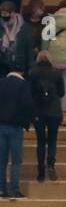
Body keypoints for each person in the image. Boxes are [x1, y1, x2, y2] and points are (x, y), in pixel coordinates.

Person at [0, 61, 34, 199]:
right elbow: (26, 104)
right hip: (15, 127)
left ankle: (1, 189)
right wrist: (27, 123)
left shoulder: (1, 82)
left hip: (0, 126)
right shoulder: (23, 84)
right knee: (15, 161)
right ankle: (14, 190)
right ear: (22, 72)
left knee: (1, 160)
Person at [28, 51, 63, 183]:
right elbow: (62, 92)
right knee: (52, 139)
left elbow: (30, 93)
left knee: (41, 141)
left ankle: (41, 170)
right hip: (54, 111)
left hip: (39, 111)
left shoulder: (33, 72)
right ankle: (51, 164)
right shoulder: (56, 72)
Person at [0, 1, 34, 77]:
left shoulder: (23, 27)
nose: (3, 16)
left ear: (12, 13)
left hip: (19, 65)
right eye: (1, 14)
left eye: (5, 14)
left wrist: (31, 68)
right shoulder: (1, 26)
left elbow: (29, 48)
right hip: (3, 64)